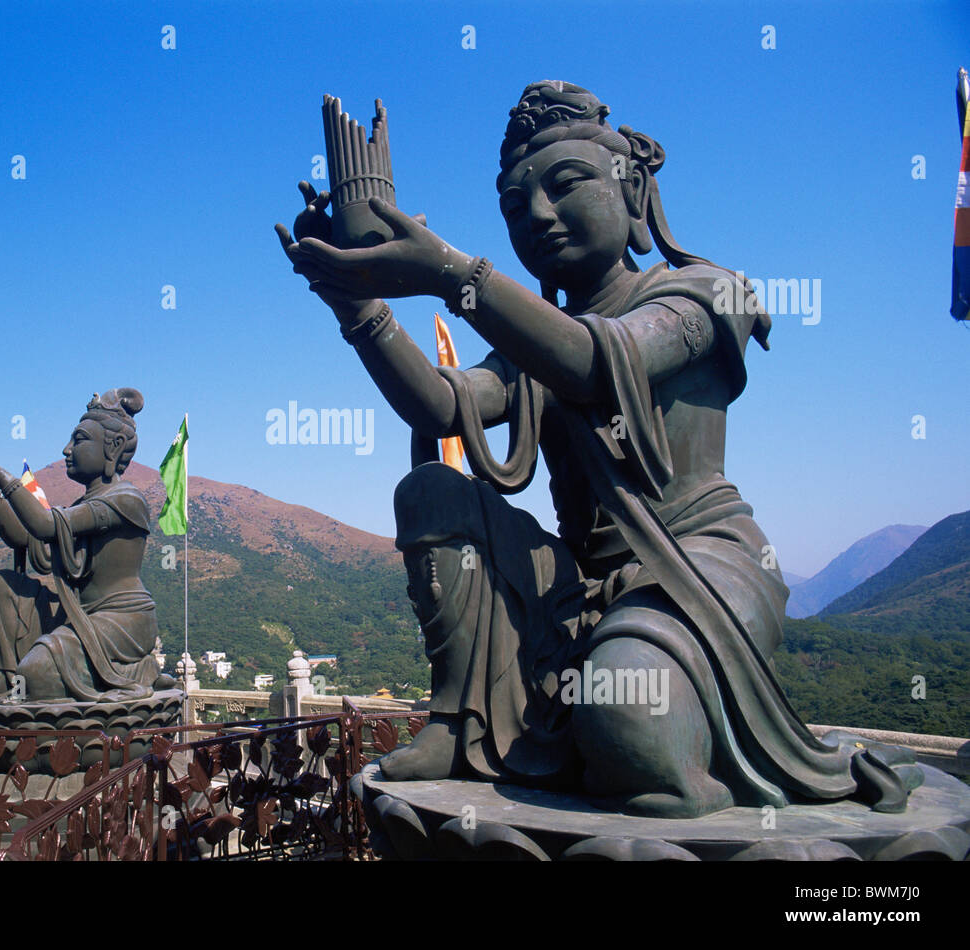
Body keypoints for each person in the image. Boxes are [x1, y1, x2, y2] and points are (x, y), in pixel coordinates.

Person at [277, 81, 915, 817]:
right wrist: (357, 303)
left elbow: (595, 361)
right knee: (430, 491)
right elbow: (439, 404)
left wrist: (452, 273)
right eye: (516, 207)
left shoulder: (703, 294)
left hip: (696, 564)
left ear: (633, 187)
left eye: (565, 185)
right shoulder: (531, 341)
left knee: (628, 725)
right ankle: (458, 721)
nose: (538, 215)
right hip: (577, 580)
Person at [0, 389, 164, 703]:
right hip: (80, 616)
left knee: (39, 671)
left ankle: (33, 682)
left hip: (120, 621)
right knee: (1, 585)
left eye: (79, 440)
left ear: (114, 446)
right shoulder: (83, 505)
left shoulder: (126, 500)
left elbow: (43, 524)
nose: (66, 450)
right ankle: (6, 673)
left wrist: (2, 477)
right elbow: (26, 538)